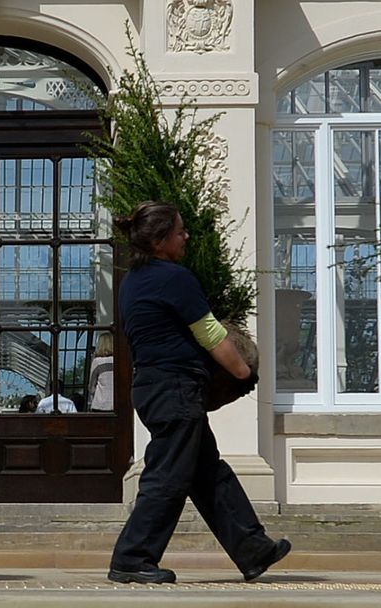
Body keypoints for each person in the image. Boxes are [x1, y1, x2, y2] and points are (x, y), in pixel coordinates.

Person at [108, 202, 290, 585]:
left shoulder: (133, 282)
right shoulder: (174, 278)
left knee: (208, 472)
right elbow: (208, 332)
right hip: (175, 389)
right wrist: (243, 372)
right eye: (179, 231)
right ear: (160, 241)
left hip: (155, 388)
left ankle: (252, 549)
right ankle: (132, 558)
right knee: (167, 477)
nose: (186, 236)